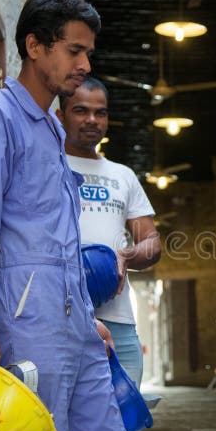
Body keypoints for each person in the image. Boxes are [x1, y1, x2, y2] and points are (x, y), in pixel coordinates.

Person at [0, 0, 142, 431]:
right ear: (35, 47)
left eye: (88, 54)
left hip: (76, 329)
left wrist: (83, 312)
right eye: (74, 50)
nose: (83, 64)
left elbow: (52, 239)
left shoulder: (53, 133)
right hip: (25, 330)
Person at [58, 77, 161, 393]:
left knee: (121, 430)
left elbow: (152, 243)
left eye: (100, 113)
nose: (92, 119)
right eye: (81, 110)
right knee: (64, 428)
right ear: (60, 115)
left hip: (119, 324)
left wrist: (127, 255)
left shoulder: (122, 175)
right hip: (59, 317)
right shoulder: (48, 165)